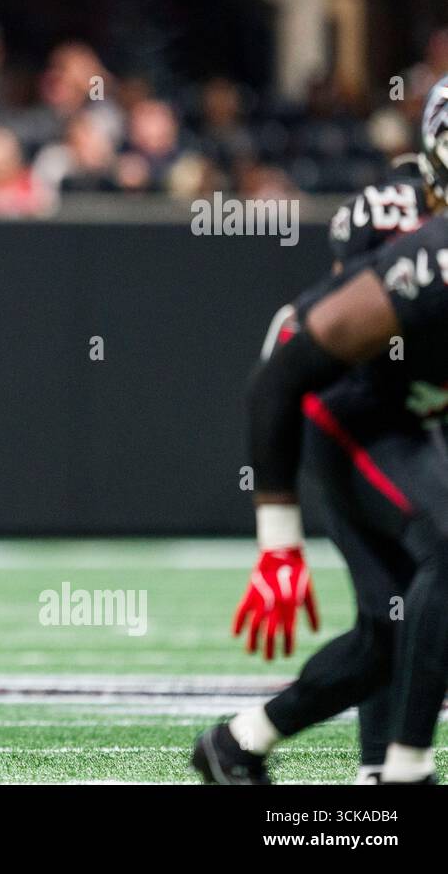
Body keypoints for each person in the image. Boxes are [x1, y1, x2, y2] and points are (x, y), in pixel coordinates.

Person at [193, 77, 448, 786]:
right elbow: (284, 369)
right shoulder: (417, 238)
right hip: (353, 414)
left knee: (392, 630)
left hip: (414, 415)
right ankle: (403, 771)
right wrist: (279, 546)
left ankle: (238, 744)